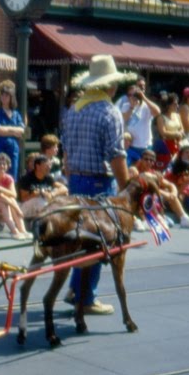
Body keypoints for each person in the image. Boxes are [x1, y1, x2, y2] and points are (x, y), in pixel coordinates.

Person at [62, 54, 135, 315]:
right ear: (110, 86)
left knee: (77, 237)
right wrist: (126, 186)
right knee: (98, 239)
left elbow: (67, 151)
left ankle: (74, 288)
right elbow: (116, 155)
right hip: (98, 183)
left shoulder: (75, 108)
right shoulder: (109, 112)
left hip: (75, 179)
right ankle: (87, 297)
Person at [0, 153, 31, 239]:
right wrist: (17, 209)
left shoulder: (9, 178)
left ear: (8, 166)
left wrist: (1, 189)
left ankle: (22, 230)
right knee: (4, 202)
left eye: (4, 164)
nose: (2, 166)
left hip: (5, 206)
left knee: (11, 200)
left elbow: (14, 194)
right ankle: (14, 231)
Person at [116, 75, 160, 165]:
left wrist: (143, 97)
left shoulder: (146, 106)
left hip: (145, 145)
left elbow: (157, 112)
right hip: (130, 145)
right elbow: (123, 119)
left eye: (134, 95)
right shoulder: (125, 106)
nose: (131, 97)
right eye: (129, 95)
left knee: (144, 170)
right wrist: (131, 107)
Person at [0, 80, 24, 182]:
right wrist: (13, 131)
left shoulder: (16, 114)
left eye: (7, 95)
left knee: (12, 177)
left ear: (11, 97)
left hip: (12, 151)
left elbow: (21, 131)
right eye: (2, 95)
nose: (4, 97)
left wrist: (6, 129)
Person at [18, 153, 68, 218]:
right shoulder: (26, 179)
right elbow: (23, 199)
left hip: (42, 207)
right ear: (38, 166)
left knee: (63, 196)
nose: (49, 167)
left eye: (50, 165)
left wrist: (52, 194)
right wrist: (36, 194)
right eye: (47, 165)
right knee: (39, 200)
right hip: (23, 209)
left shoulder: (48, 178)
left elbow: (64, 188)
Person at [153, 91, 183, 169]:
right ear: (168, 105)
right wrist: (176, 134)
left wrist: (180, 135)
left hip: (177, 144)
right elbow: (163, 132)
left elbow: (181, 129)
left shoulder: (177, 116)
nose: (177, 106)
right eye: (175, 104)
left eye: (177, 103)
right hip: (166, 146)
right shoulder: (161, 117)